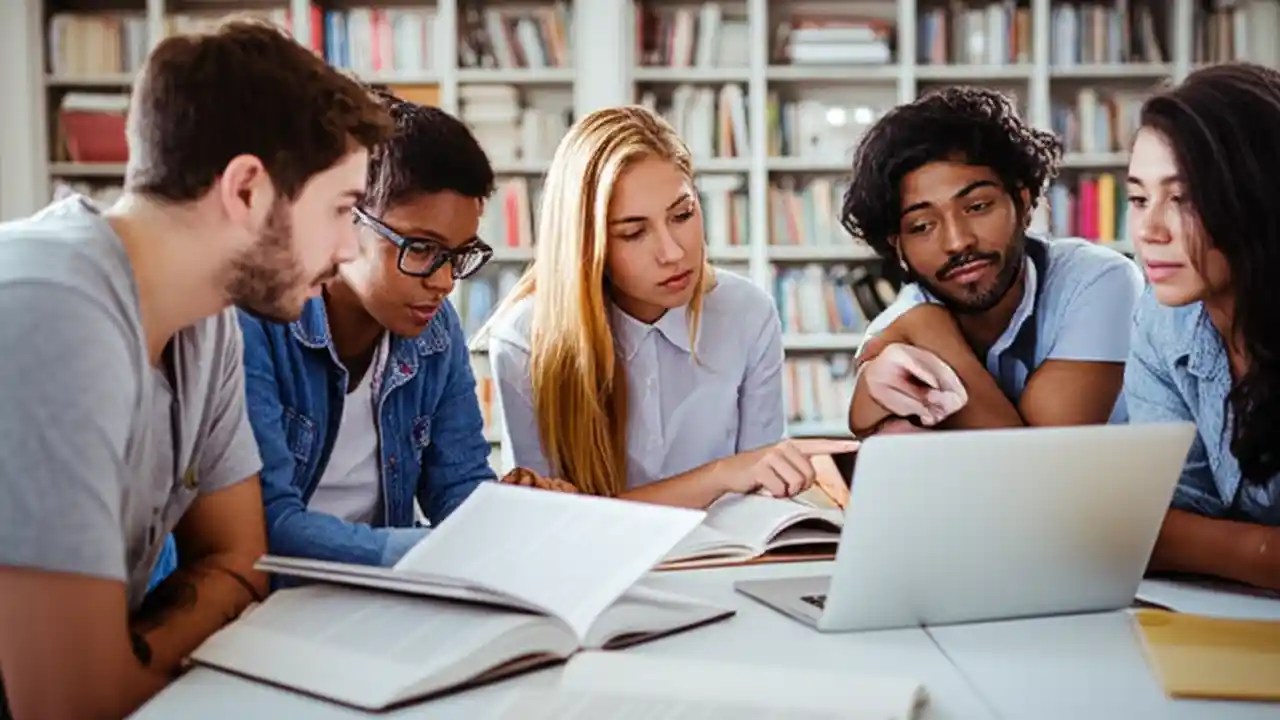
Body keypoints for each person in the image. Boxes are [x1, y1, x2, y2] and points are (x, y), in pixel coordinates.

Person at [0, 21, 391, 719]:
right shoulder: (51, 312)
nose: (349, 248)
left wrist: (128, 655)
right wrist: (144, 651)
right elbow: (74, 704)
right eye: (342, 209)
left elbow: (243, 565)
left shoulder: (206, 319)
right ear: (247, 190)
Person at [239, 96, 568, 568]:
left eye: (459, 255)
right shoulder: (258, 322)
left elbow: (458, 488)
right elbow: (267, 523)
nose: (444, 281)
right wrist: (436, 550)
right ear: (348, 215)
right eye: (421, 249)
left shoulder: (436, 330)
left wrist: (509, 515)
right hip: (274, 597)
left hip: (381, 590)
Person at [479, 105, 857, 509]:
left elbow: (761, 495)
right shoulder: (525, 339)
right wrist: (720, 475)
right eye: (634, 232)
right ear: (587, 245)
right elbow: (548, 519)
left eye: (683, 214)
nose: (673, 252)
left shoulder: (748, 313)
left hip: (726, 561)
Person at [842, 86, 1145, 437]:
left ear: (1023, 199)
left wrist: (929, 329)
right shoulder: (896, 323)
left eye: (977, 207)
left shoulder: (1098, 281)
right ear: (898, 248)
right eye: (922, 226)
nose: (957, 242)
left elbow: (1040, 466)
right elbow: (864, 420)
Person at [1124, 62, 1280, 591]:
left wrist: (1202, 543)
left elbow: (1160, 536)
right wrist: (1260, 551)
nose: (1149, 230)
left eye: (1182, 198)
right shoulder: (1161, 319)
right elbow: (1151, 525)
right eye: (1139, 198)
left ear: (1258, 194)